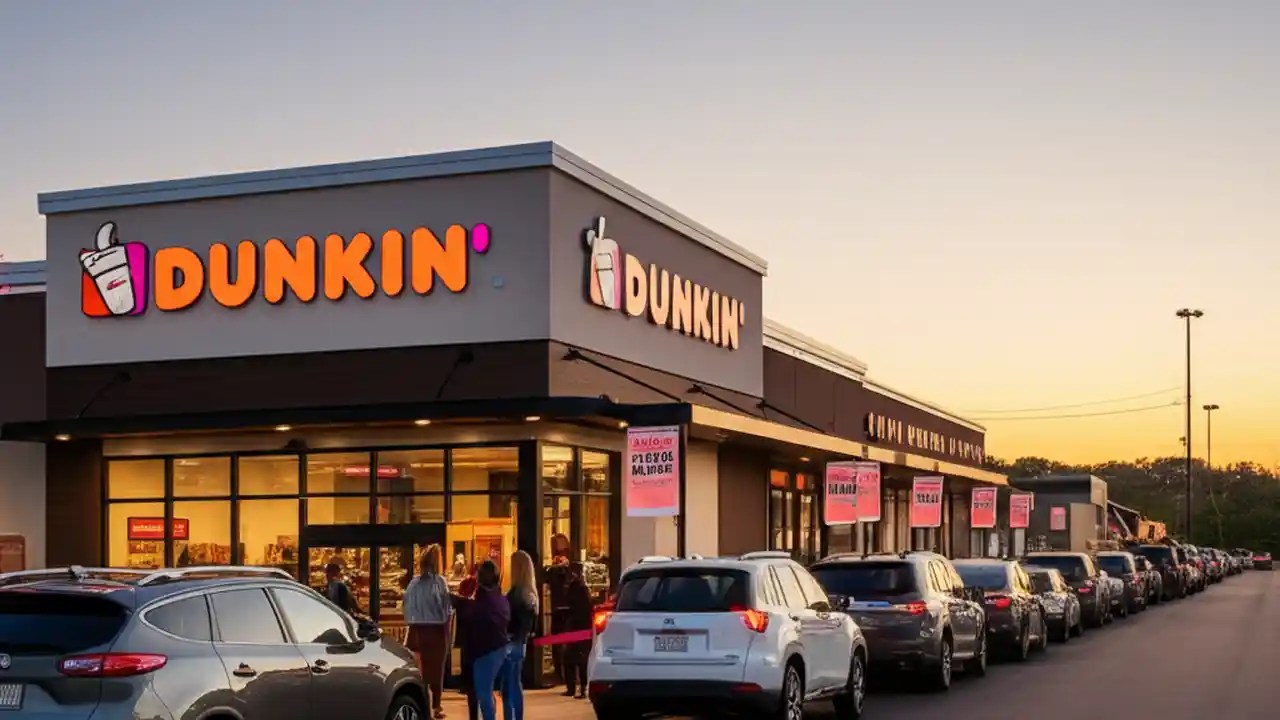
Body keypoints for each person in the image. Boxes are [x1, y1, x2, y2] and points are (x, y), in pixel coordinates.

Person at [404, 545, 453, 719]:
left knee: (419, 670)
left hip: (415, 629)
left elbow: (407, 605)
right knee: (436, 669)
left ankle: (421, 704)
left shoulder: (413, 583)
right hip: (436, 630)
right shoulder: (439, 582)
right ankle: (436, 705)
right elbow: (446, 608)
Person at [461, 560, 511, 720]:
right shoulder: (500, 599)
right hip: (500, 647)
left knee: (483, 692)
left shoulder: (481, 603)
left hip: (484, 651)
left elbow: (470, 618)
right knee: (487, 692)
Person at [502, 551, 538, 720]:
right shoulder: (531, 595)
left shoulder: (515, 594)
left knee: (508, 688)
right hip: (521, 643)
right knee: (516, 684)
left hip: (511, 642)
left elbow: (508, 619)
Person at [544, 534, 572, 686]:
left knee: (564, 642)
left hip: (564, 608)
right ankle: (560, 672)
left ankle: (565, 674)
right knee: (559, 641)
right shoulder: (555, 568)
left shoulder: (568, 567)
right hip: (559, 607)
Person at [563, 562, 593, 699]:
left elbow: (579, 608)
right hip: (579, 628)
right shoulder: (580, 588)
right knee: (575, 658)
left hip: (578, 628)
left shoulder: (578, 588)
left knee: (576, 659)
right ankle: (577, 687)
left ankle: (578, 688)